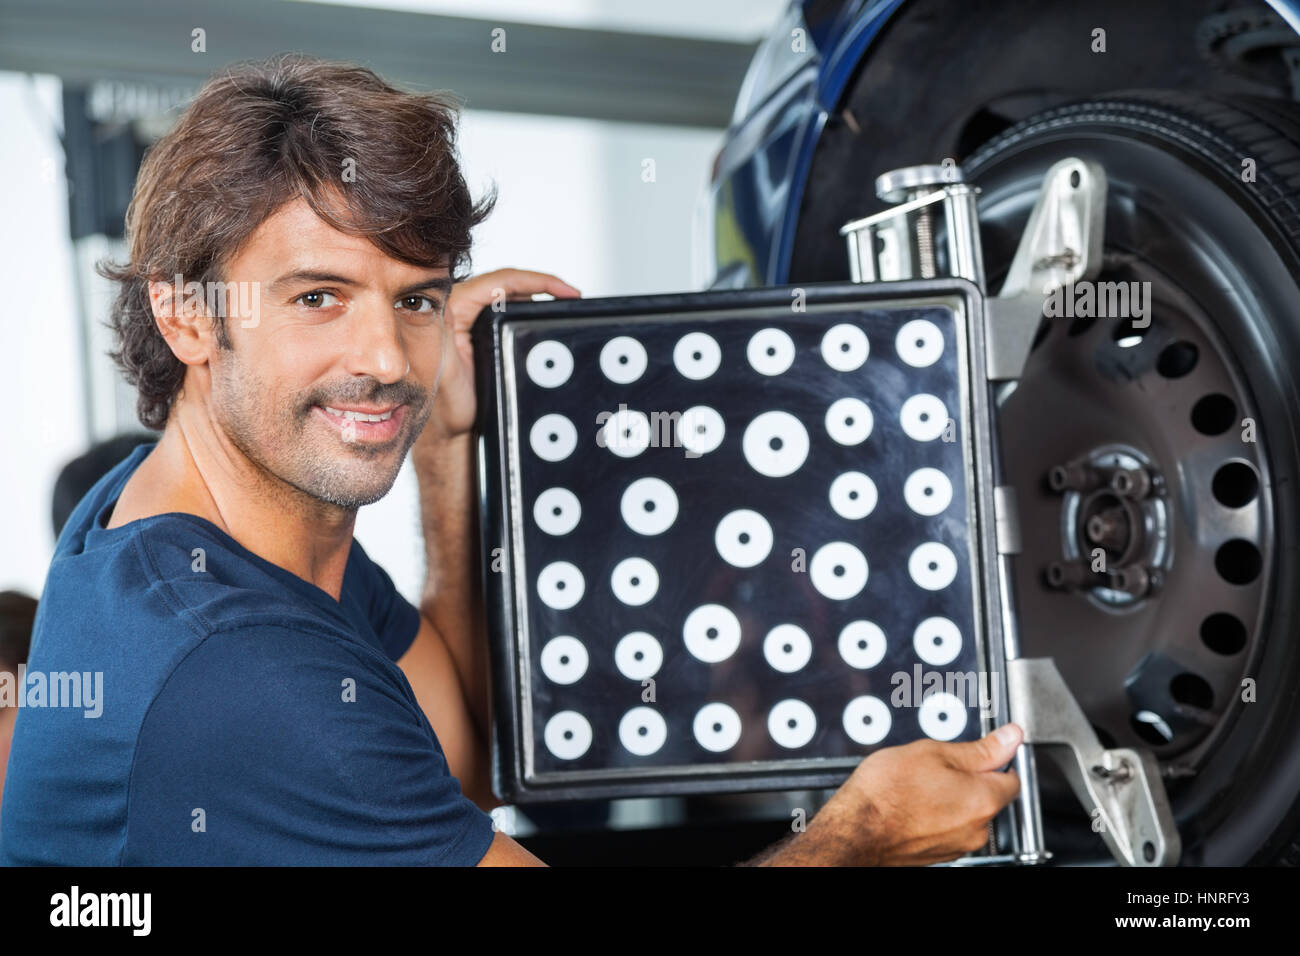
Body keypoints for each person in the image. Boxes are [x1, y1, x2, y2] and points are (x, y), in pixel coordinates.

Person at [0, 55, 1021, 866]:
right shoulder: (235, 668)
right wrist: (862, 839)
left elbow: (453, 772)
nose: (387, 360)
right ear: (185, 314)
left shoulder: (206, 522)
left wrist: (448, 445)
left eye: (417, 296)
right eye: (318, 296)